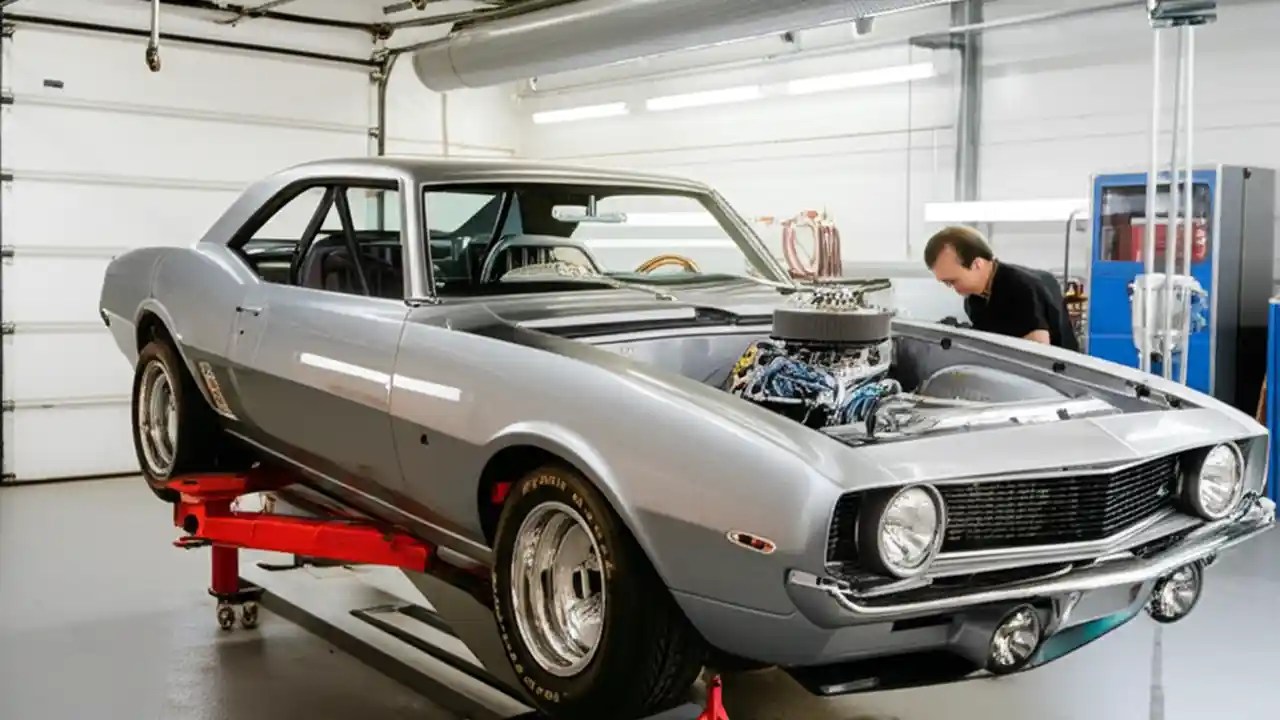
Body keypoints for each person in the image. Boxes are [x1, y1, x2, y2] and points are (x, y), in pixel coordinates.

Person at [923, 225, 1080, 351]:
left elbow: (1037, 354)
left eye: (953, 281)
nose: (952, 289)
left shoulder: (1021, 289)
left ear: (977, 264)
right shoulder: (975, 300)